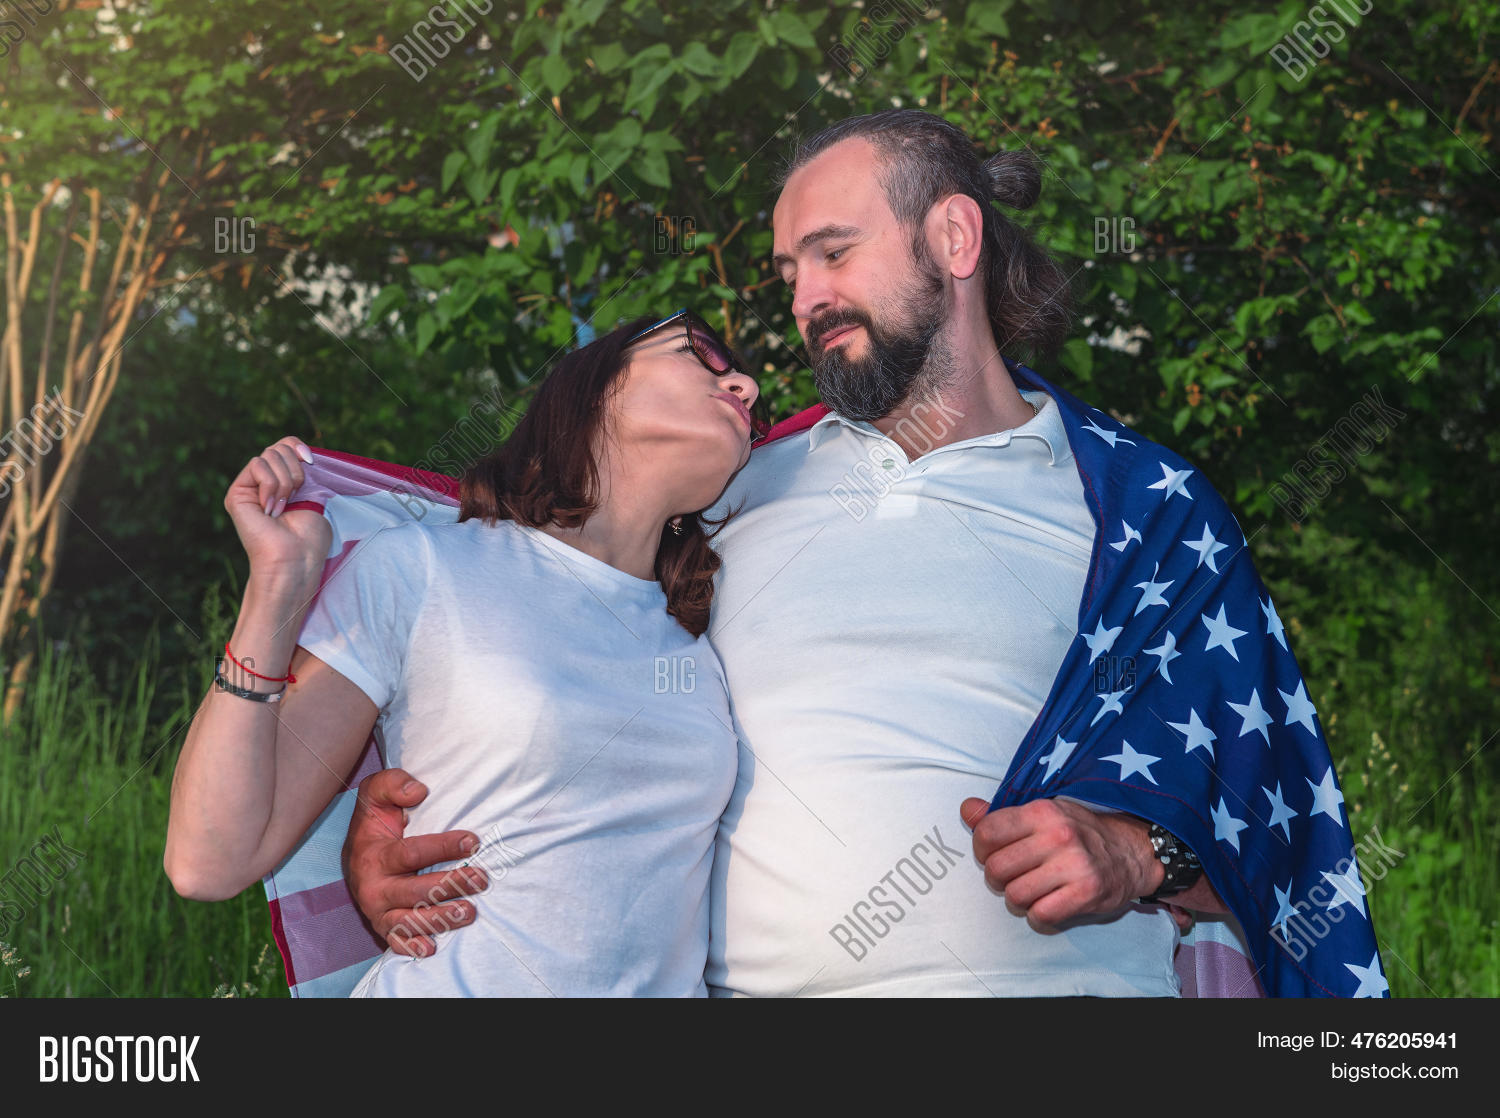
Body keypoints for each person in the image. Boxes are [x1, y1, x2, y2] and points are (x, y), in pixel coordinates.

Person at [340, 110, 1386, 997]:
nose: (803, 299)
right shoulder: (729, 492)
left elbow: (1277, 831)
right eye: (790, 271)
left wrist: (1135, 854)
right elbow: (528, 628)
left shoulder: (1141, 512)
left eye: (833, 253)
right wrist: (395, 814)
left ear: (954, 237)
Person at [165, 312, 765, 996]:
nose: (744, 385)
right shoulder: (422, 567)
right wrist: (275, 590)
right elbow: (208, 861)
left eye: (752, 391)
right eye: (701, 353)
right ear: (593, 388)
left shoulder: (705, 640)